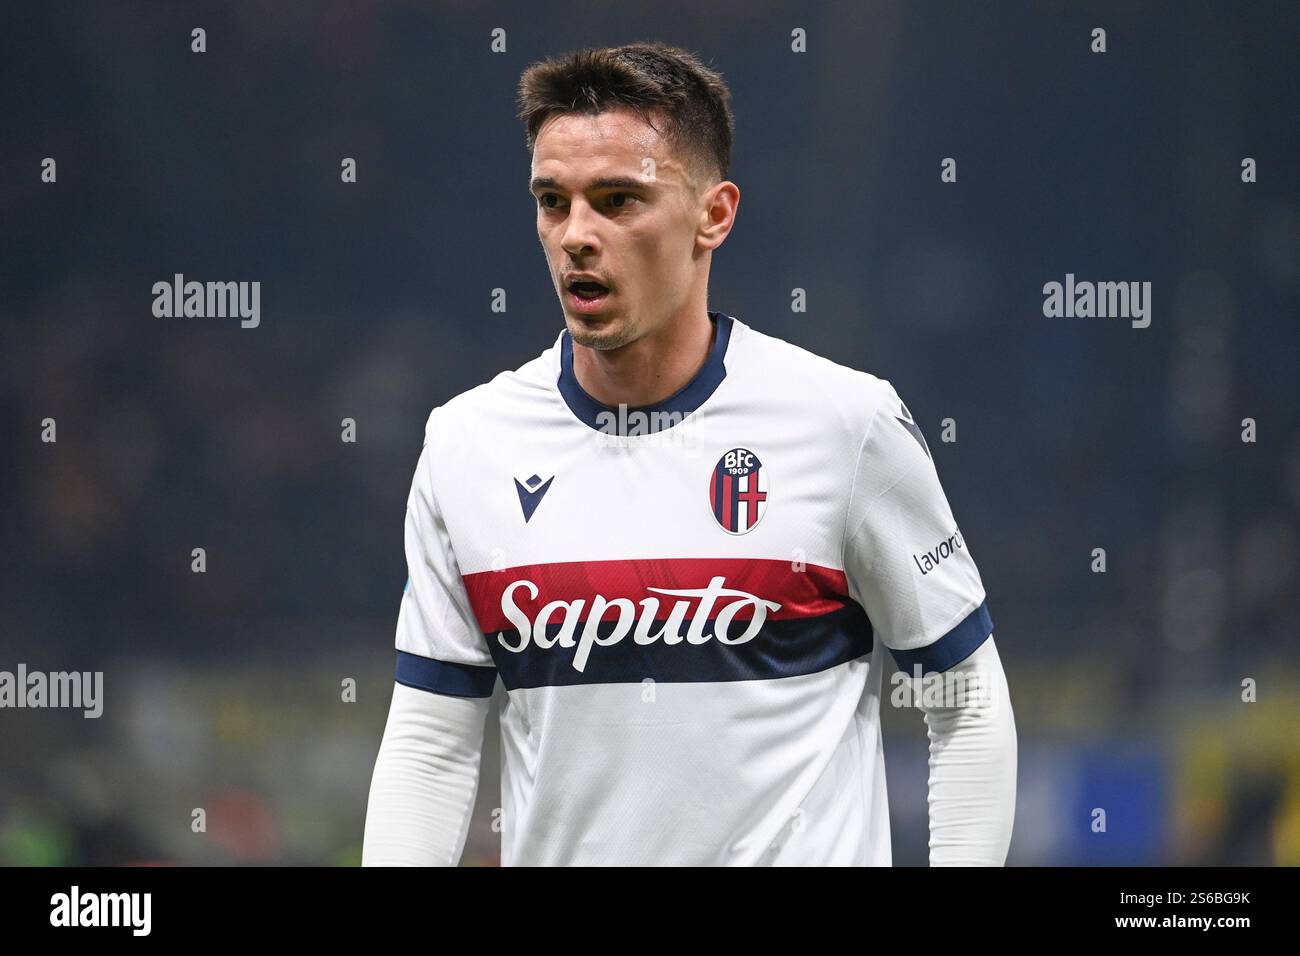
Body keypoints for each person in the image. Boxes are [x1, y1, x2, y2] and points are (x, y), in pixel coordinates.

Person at [363, 41, 1016, 866]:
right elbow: (431, 741)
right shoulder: (467, 444)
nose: (577, 236)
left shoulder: (845, 424)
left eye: (617, 199)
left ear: (715, 213)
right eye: (552, 202)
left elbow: (964, 701)